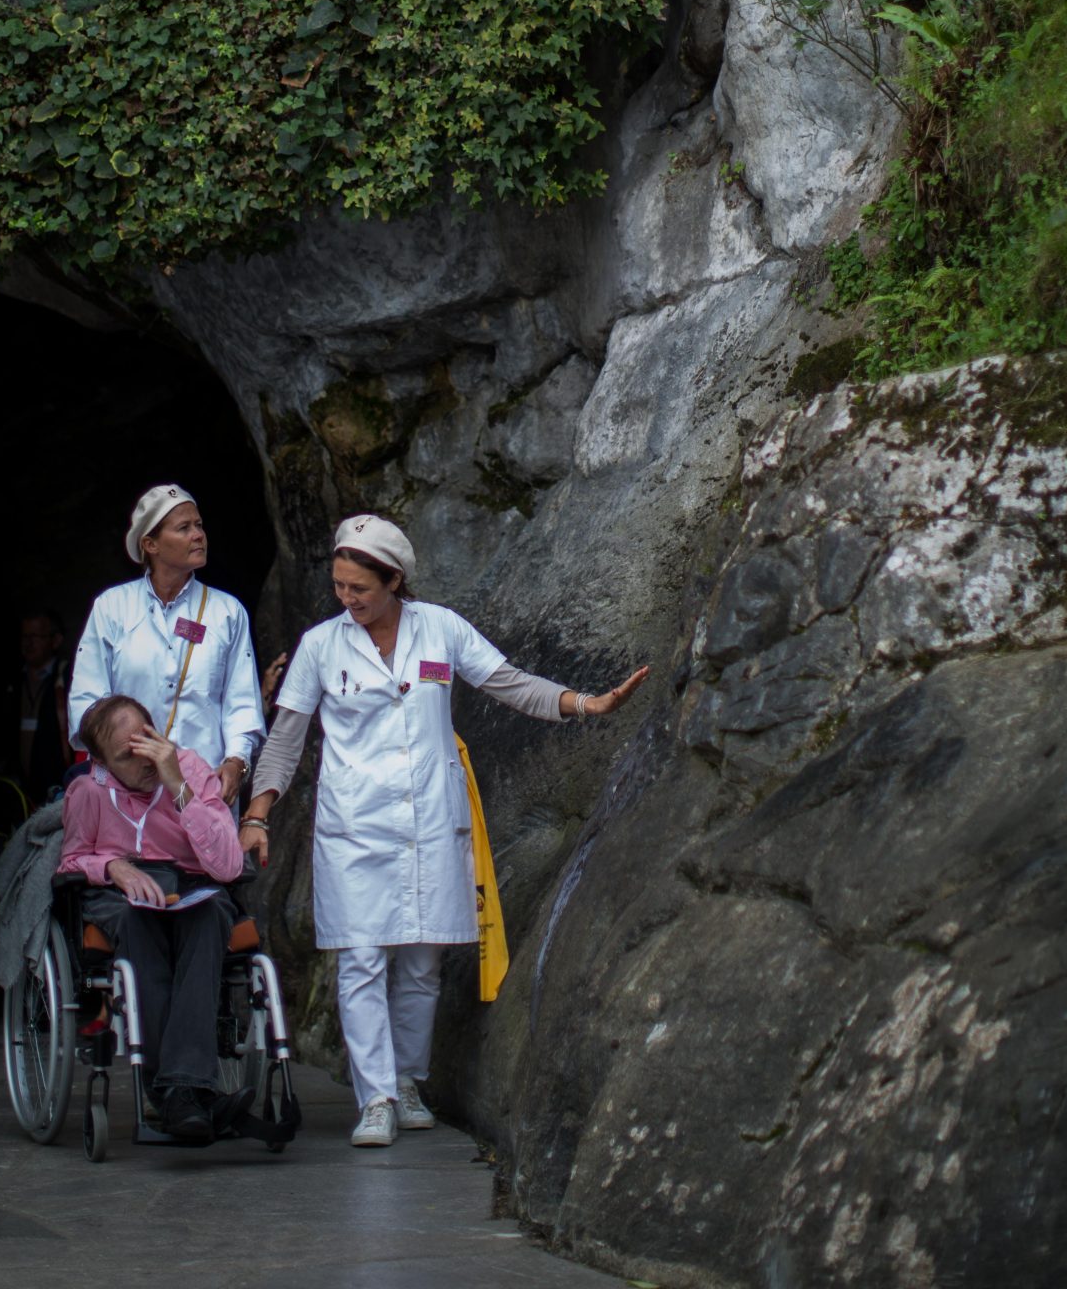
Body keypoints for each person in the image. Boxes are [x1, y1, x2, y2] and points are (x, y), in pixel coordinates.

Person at [239, 514, 649, 1147]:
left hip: (430, 817)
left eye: (360, 590)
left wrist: (583, 704)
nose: (347, 600)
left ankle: (407, 1081)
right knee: (362, 959)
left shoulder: (441, 628)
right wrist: (258, 814)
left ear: (394, 580)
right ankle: (374, 1097)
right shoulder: (322, 645)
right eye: (340, 586)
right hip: (354, 825)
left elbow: (507, 683)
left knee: (423, 960)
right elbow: (286, 739)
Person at [60, 694, 248, 1143]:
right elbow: (71, 861)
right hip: (122, 891)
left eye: (148, 744)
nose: (144, 760)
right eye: (128, 755)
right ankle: (185, 1093)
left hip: (191, 883)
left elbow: (227, 867)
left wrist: (178, 785)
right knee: (138, 920)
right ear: (101, 761)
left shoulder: (191, 769)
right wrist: (113, 867)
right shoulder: (89, 791)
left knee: (209, 917)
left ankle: (180, 1090)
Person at [68, 485, 263, 801]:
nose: (198, 535)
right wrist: (121, 764)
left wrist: (236, 761)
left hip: (203, 783)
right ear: (150, 544)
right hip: (127, 788)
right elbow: (88, 700)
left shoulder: (227, 611)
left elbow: (241, 700)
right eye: (184, 528)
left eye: (199, 525)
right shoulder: (112, 607)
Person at [12, 610, 71, 803]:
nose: (28, 643)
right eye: (24, 636)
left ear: (55, 640)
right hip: (17, 786)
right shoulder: (13, 680)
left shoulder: (68, 679)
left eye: (35, 636)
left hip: (55, 787)